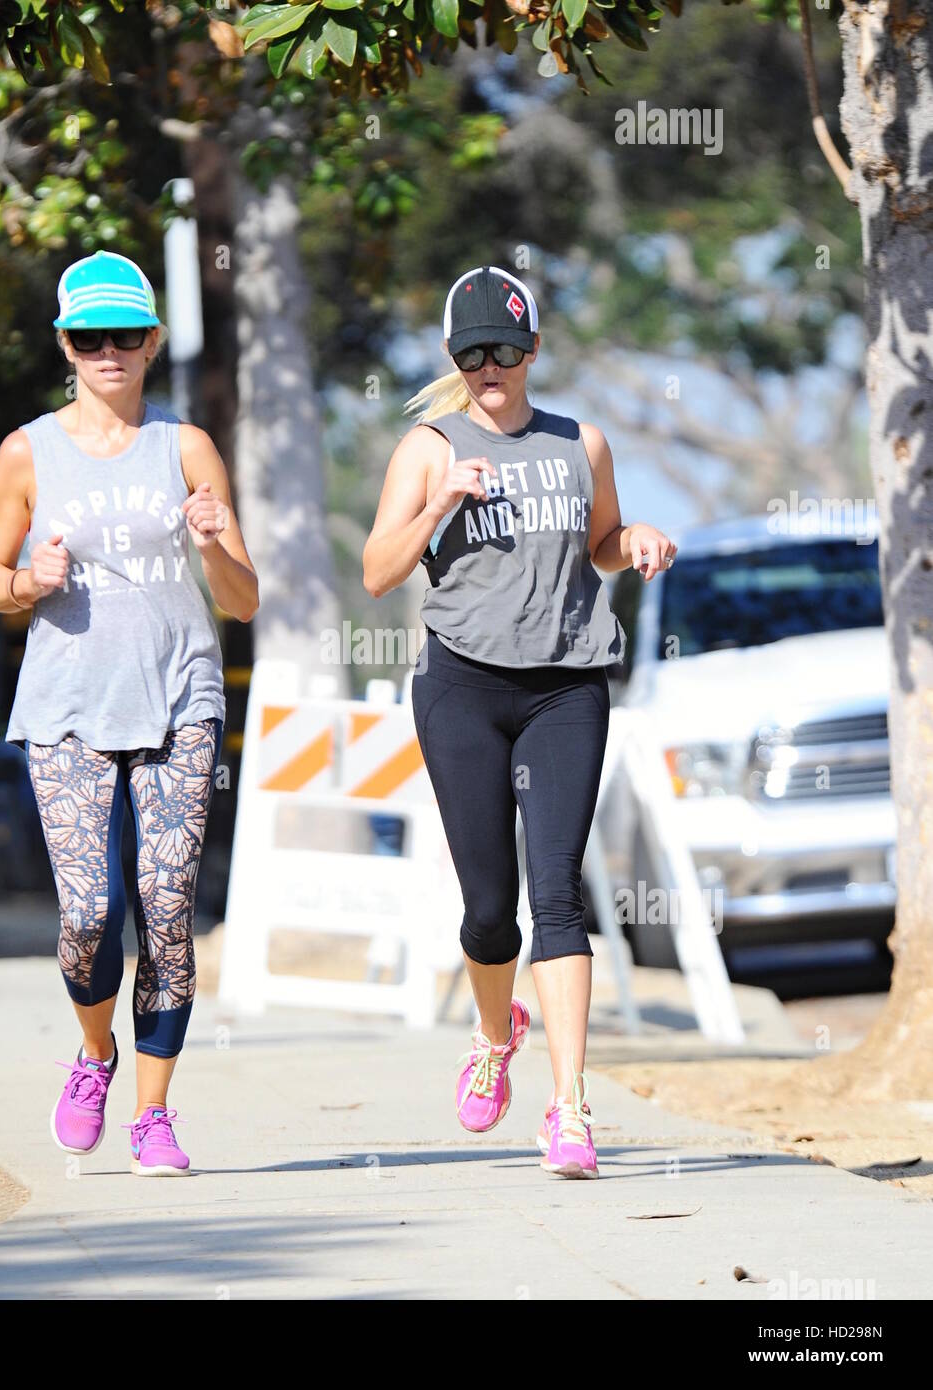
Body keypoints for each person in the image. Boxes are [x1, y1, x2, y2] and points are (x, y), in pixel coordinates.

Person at [363, 265, 677, 1179]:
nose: (489, 365)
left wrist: (639, 540)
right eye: (472, 352)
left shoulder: (583, 441)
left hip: (566, 687)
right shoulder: (428, 445)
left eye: (504, 349)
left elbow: (602, 541)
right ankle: (495, 1036)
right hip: (462, 687)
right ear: (454, 359)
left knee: (558, 894)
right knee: (489, 910)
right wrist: (440, 500)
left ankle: (572, 1108)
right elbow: (380, 572)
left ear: (533, 349)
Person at [0, 250, 258, 1177]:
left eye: (124, 335)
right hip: (64, 706)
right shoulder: (28, 450)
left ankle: (153, 1115)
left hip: (180, 698)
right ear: (65, 343)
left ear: (151, 343)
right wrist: (26, 581)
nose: (108, 351)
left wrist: (214, 544)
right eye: (89, 336)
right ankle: (96, 1055)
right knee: (90, 910)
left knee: (167, 909)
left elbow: (243, 599)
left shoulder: (187, 447)